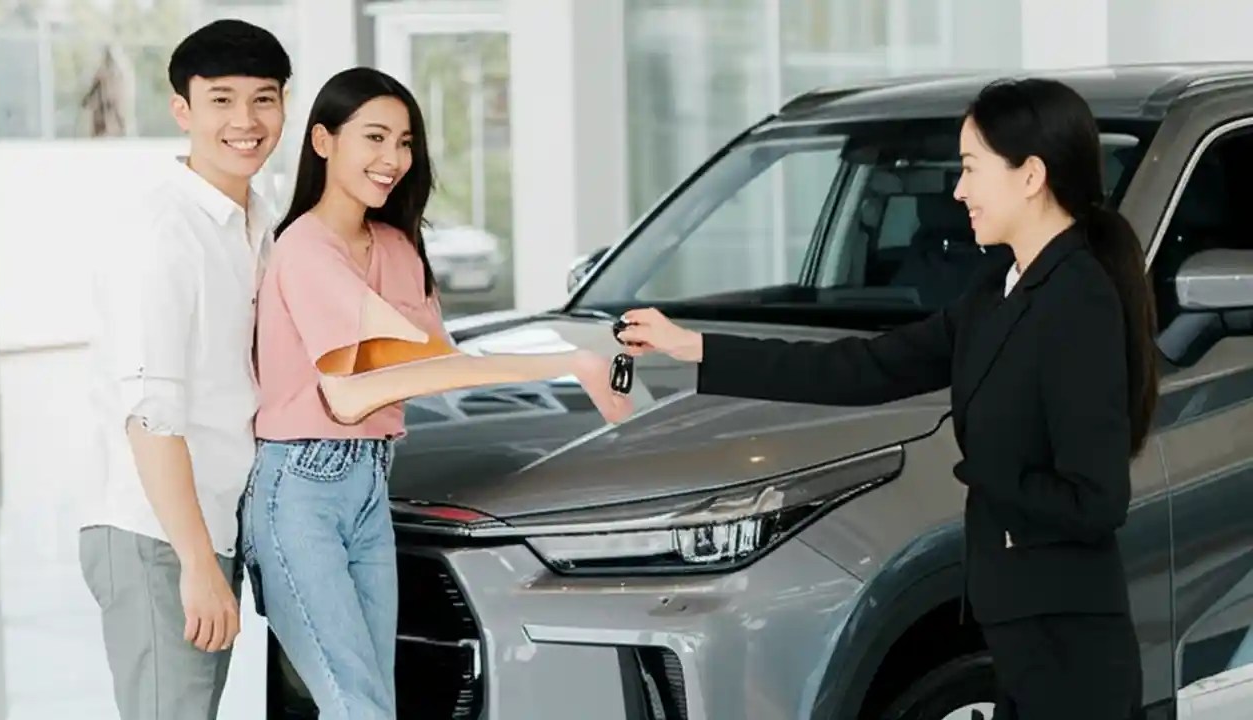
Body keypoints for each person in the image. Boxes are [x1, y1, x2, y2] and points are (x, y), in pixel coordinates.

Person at [615, 77, 1156, 720]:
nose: (958, 191)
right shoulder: (998, 292)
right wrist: (696, 347)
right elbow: (862, 367)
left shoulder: (1078, 300)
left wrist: (987, 473)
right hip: (1018, 634)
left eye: (970, 168)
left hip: (1069, 648)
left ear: (1031, 175)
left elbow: (1097, 501)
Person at [242, 66, 630, 719]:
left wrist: (574, 359)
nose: (392, 157)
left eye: (404, 141)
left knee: (376, 703)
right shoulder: (304, 250)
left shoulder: (397, 246)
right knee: (355, 705)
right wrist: (569, 362)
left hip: (372, 487)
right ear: (322, 142)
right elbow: (364, 389)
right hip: (299, 494)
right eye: (374, 137)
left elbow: (439, 362)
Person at [80, 19, 291, 720]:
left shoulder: (255, 219)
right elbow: (150, 414)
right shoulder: (163, 233)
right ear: (183, 110)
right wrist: (198, 564)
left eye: (264, 99)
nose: (246, 121)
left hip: (207, 527)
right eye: (222, 100)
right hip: (159, 534)